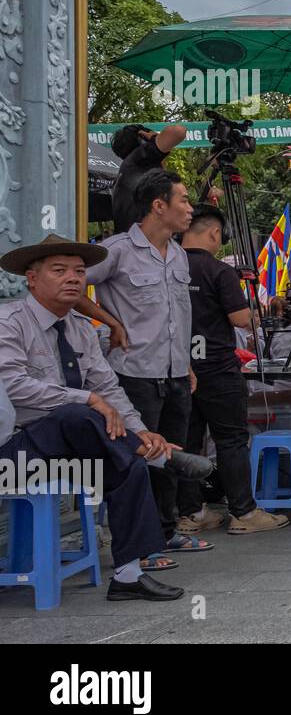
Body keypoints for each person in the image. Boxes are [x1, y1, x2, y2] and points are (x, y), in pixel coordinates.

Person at [0, 235, 215, 601]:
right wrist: (88, 398)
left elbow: (111, 391)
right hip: (17, 452)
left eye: (79, 272)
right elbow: (13, 386)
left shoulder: (82, 328)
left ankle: (129, 576)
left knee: (127, 464)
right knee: (77, 414)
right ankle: (161, 460)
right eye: (59, 271)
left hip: (73, 450)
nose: (73, 278)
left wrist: (144, 433)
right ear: (32, 279)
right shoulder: (9, 322)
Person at [77, 169, 214, 566]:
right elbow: (72, 285)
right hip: (133, 375)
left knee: (170, 458)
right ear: (159, 205)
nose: (190, 209)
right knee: (139, 459)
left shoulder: (179, 256)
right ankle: (139, 546)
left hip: (173, 373)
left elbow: (178, 318)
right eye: (184, 200)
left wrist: (186, 364)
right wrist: (110, 322)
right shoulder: (118, 250)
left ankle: (166, 533)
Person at [177, 205, 289, 536]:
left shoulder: (168, 265)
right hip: (217, 368)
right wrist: (253, 315)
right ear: (214, 233)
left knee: (186, 442)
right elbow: (240, 318)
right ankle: (243, 511)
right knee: (231, 440)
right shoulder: (219, 271)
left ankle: (191, 513)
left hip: (179, 368)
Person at [109, 123, 188, 234]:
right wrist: (154, 137)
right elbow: (178, 131)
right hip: (142, 246)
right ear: (143, 139)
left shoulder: (128, 170)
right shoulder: (141, 158)